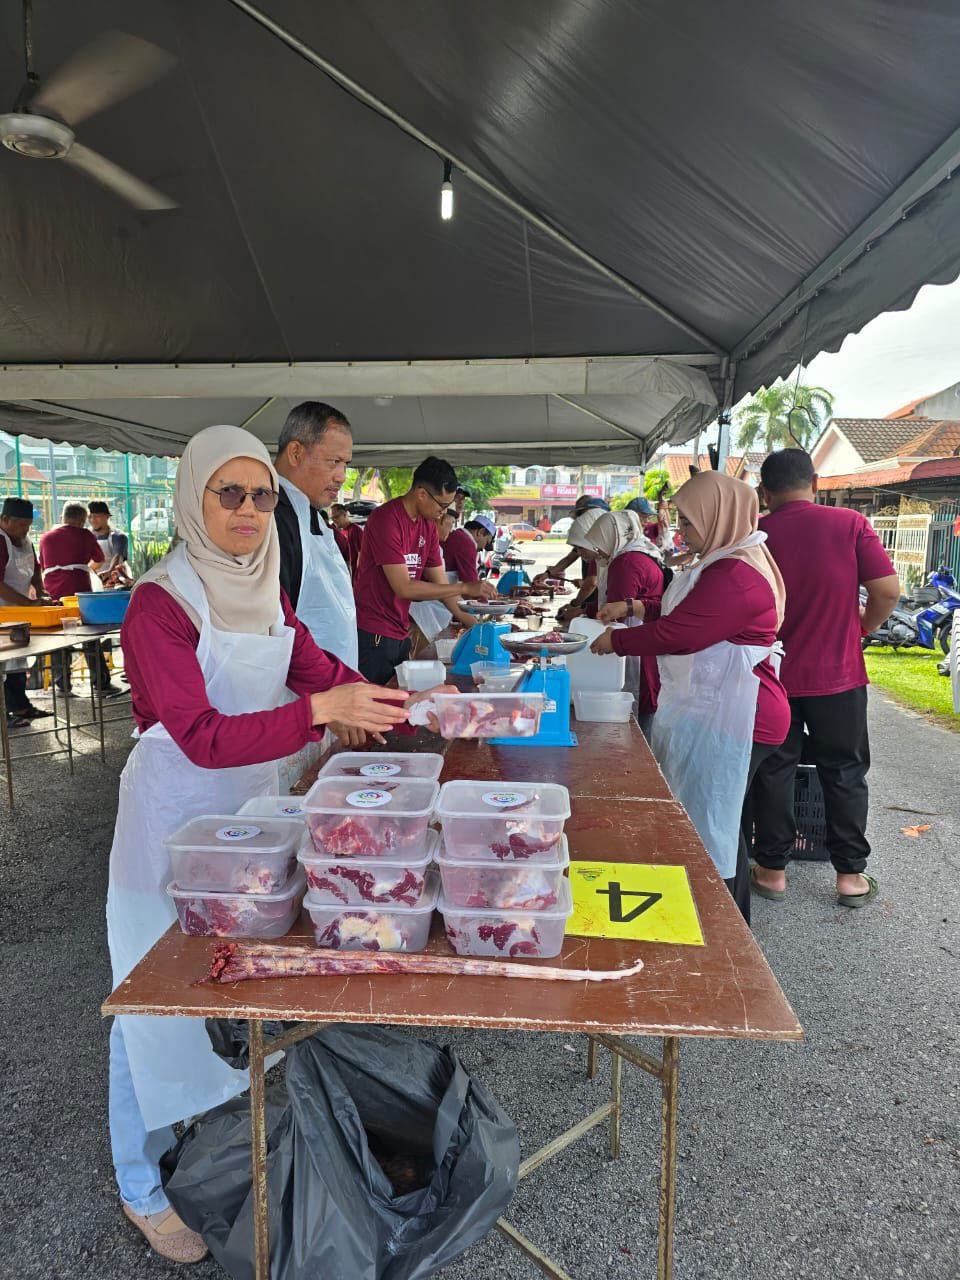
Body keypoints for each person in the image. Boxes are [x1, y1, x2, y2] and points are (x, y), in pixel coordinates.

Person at [105, 425, 425, 1263]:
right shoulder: (160, 602)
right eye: (230, 494)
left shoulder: (264, 586)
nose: (248, 511)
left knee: (233, 977)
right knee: (148, 999)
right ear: (195, 498)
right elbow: (204, 734)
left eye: (260, 496)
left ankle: (222, 1137)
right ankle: (141, 1184)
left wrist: (398, 704)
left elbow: (313, 667)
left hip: (244, 812)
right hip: (173, 811)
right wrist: (324, 713)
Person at [591, 472, 789, 922]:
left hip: (740, 713)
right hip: (722, 704)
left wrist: (616, 642)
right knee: (720, 820)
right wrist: (634, 608)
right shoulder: (724, 558)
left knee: (714, 821)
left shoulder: (736, 573)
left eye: (689, 520)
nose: (682, 531)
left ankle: (725, 923)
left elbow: (684, 632)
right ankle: (725, 915)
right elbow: (693, 611)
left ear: (718, 516)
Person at [748, 449, 900, 908]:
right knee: (845, 770)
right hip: (840, 676)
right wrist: (865, 624)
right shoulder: (849, 524)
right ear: (814, 481)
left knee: (776, 768)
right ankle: (851, 876)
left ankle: (772, 870)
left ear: (765, 491)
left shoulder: (754, 534)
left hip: (772, 675)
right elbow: (888, 590)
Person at [352, 457, 497, 683]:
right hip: (374, 632)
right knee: (377, 704)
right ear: (421, 493)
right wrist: (466, 587)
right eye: (442, 506)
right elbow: (404, 588)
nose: (443, 512)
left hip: (401, 629)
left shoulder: (427, 525)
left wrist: (477, 627)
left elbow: (442, 588)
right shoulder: (386, 520)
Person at [273, 401, 359, 669]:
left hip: (333, 680)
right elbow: (276, 624)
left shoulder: (312, 512)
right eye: (333, 462)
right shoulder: (272, 515)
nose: (342, 476)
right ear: (296, 453)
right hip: (297, 693)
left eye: (345, 464)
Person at [584, 509, 669, 733]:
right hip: (649, 651)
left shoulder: (626, 563)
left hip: (634, 656)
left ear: (614, 536)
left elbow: (616, 615)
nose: (598, 551)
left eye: (600, 543)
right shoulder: (645, 553)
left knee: (634, 733)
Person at [39, 502, 119, 695]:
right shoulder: (85, 535)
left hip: (54, 592)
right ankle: (101, 683)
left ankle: (62, 685)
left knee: (57, 638)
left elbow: (42, 565)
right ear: (82, 520)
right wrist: (84, 569)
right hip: (80, 593)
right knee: (90, 637)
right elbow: (98, 559)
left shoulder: (46, 538)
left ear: (63, 518)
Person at [0, 496, 54, 728]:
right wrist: (27, 603)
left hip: (19, 610)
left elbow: (35, 568)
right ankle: (5, 715)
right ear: (4, 519)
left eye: (28, 525)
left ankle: (21, 706)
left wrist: (40, 592)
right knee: (3, 662)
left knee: (17, 660)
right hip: (4, 609)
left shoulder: (24, 539)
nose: (25, 529)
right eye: (21, 524)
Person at [555, 507, 604, 624]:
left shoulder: (624, 561)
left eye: (581, 548)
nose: (579, 554)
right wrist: (579, 608)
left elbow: (619, 606)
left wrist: (578, 608)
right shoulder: (598, 557)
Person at [546, 495, 611, 580]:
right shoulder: (586, 540)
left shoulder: (601, 548)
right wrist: (548, 574)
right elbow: (571, 556)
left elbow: (592, 582)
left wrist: (586, 585)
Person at [88, 501, 132, 586]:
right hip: (94, 582)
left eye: (97, 516)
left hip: (116, 581)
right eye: (90, 517)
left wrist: (109, 571)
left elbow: (117, 557)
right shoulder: (86, 535)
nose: (93, 520)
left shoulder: (118, 536)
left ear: (107, 516)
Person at [442, 514, 494, 584]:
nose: (483, 547)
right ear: (481, 532)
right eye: (487, 542)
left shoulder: (458, 535)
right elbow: (472, 585)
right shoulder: (466, 544)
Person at [330, 502, 364, 577]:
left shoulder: (355, 530)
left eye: (336, 517)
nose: (334, 520)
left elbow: (362, 552)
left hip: (354, 574)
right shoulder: (338, 530)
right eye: (332, 518)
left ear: (345, 515)